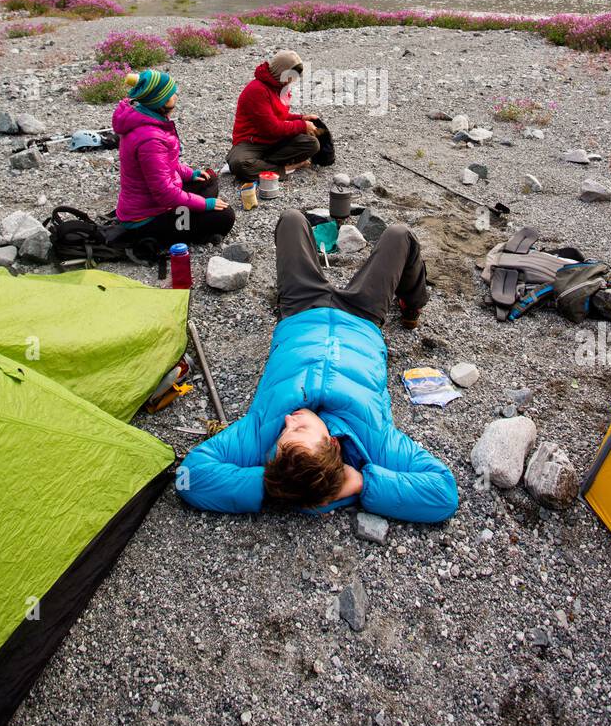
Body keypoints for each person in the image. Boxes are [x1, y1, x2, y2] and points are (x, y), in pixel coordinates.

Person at [176, 209, 457, 522]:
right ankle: (412, 302)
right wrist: (363, 484)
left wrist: (276, 487)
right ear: (332, 443)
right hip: (360, 319)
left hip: (301, 311)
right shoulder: (375, 440)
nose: (288, 420)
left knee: (292, 219)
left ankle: (399, 296)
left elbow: (190, 475)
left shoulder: (259, 435)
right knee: (399, 235)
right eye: (302, 428)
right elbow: (442, 492)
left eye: (285, 433)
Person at [111, 68, 235, 250]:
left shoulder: (147, 119)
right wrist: (204, 204)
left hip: (155, 202)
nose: (176, 94)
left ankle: (191, 220)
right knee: (225, 216)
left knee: (209, 179)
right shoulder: (150, 139)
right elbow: (164, 193)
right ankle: (178, 235)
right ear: (160, 101)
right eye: (171, 93)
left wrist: (190, 174)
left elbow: (167, 164)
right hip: (146, 220)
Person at [227, 49, 322, 182]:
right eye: (290, 76)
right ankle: (286, 168)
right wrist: (302, 125)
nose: (291, 81)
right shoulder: (257, 90)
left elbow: (280, 116)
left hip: (273, 142)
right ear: (280, 71)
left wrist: (301, 118)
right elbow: (271, 127)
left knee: (312, 144)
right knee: (239, 165)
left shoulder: (280, 87)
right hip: (251, 142)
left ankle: (262, 165)